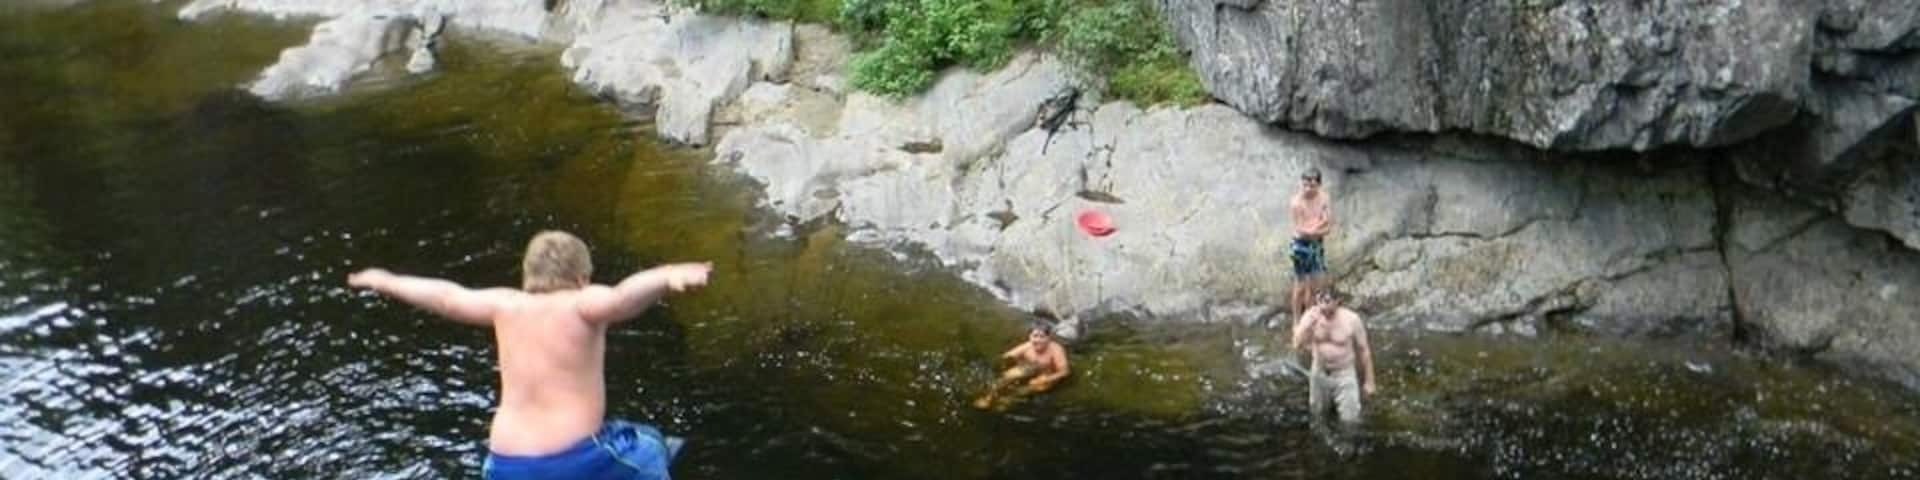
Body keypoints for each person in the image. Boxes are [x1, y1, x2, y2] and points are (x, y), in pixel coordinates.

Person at [345, 230, 711, 480]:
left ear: (526, 276)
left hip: (504, 463)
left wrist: (387, 281)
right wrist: (665, 275)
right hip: (571, 457)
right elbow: (621, 298)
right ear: (583, 277)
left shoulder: (504, 304)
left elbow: (447, 296)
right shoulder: (580, 303)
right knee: (650, 445)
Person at [1289, 290, 1375, 423]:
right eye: (1319, 301)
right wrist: (1307, 327)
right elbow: (1297, 345)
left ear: (1337, 301)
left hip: (1344, 373)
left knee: (1350, 419)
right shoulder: (1311, 316)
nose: (1322, 306)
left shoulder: (1351, 319)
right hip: (1319, 372)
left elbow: (1364, 350)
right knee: (1317, 416)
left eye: (1327, 301)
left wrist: (1369, 381)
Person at [972, 325, 1071, 409]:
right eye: (1035, 336)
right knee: (1007, 376)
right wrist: (1005, 364)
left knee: (1033, 386)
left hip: (1048, 373)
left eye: (1042, 337)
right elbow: (1007, 356)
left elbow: (1065, 371)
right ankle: (988, 397)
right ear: (1030, 337)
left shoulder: (1056, 350)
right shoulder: (1027, 346)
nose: (1038, 340)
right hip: (1030, 367)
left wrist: (1047, 379)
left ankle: (1008, 399)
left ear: (1048, 338)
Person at [1289, 167, 1335, 324]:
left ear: (1319, 185)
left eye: (1312, 186)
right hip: (1300, 246)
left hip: (1317, 245)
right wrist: (1319, 225)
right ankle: (1296, 321)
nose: (1308, 189)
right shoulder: (1296, 202)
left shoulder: (1324, 198)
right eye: (1305, 185)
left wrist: (1317, 228)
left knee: (1316, 284)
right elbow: (1301, 231)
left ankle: (1310, 315)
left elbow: (1329, 226)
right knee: (1300, 285)